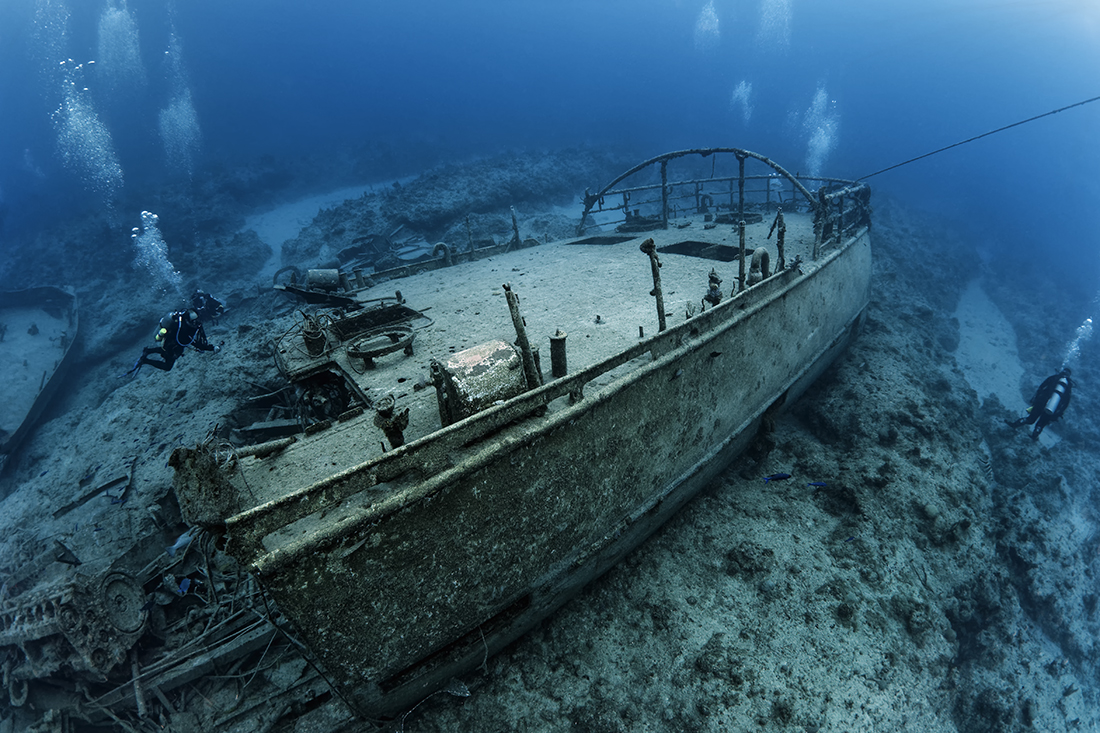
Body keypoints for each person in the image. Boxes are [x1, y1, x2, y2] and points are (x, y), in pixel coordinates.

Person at [128, 308, 218, 374]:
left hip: (171, 344)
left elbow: (194, 342)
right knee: (167, 366)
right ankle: (145, 359)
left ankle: (148, 351)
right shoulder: (184, 329)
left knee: (165, 351)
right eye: (195, 321)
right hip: (173, 346)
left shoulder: (183, 324)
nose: (197, 323)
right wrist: (212, 348)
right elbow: (196, 344)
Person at [1006, 367, 1073, 440]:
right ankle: (1034, 436)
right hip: (1052, 408)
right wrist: (1057, 414)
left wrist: (1035, 399)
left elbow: (1041, 387)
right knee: (1041, 424)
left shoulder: (1054, 377)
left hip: (1041, 401)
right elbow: (1066, 403)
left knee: (1030, 419)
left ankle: (1015, 425)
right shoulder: (1067, 387)